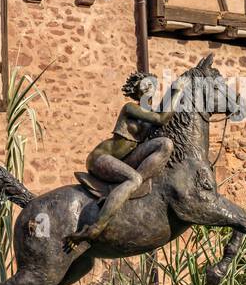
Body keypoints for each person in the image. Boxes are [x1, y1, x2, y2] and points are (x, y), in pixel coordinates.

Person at [66, 71, 180, 246]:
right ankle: (96, 227)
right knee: (134, 178)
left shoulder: (149, 111)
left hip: (126, 159)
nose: (149, 88)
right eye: (144, 85)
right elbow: (161, 118)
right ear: (136, 90)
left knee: (165, 144)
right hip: (102, 157)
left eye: (152, 85)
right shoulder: (130, 108)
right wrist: (176, 91)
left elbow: (164, 117)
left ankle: (127, 189)